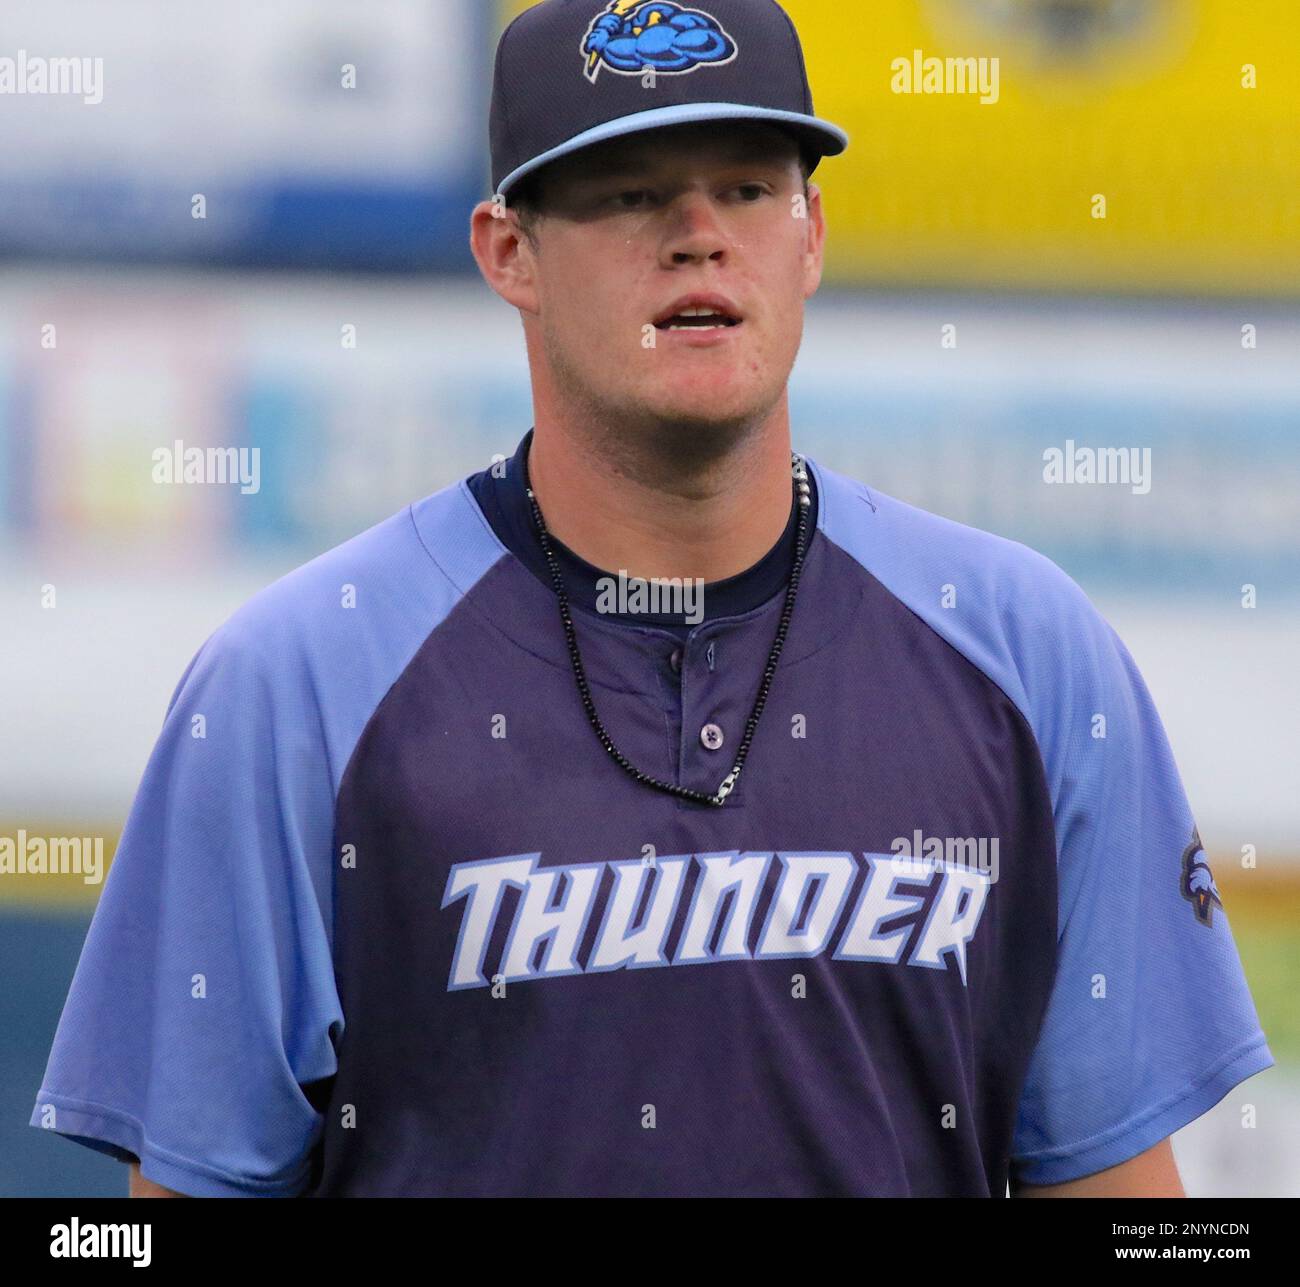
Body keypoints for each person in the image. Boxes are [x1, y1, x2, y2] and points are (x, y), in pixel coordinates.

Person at [32, 0, 1272, 1198]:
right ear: (507, 251)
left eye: (744, 187)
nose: (698, 235)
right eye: (629, 194)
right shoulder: (297, 681)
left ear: (811, 236)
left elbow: (1116, 1188)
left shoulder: (1025, 650)